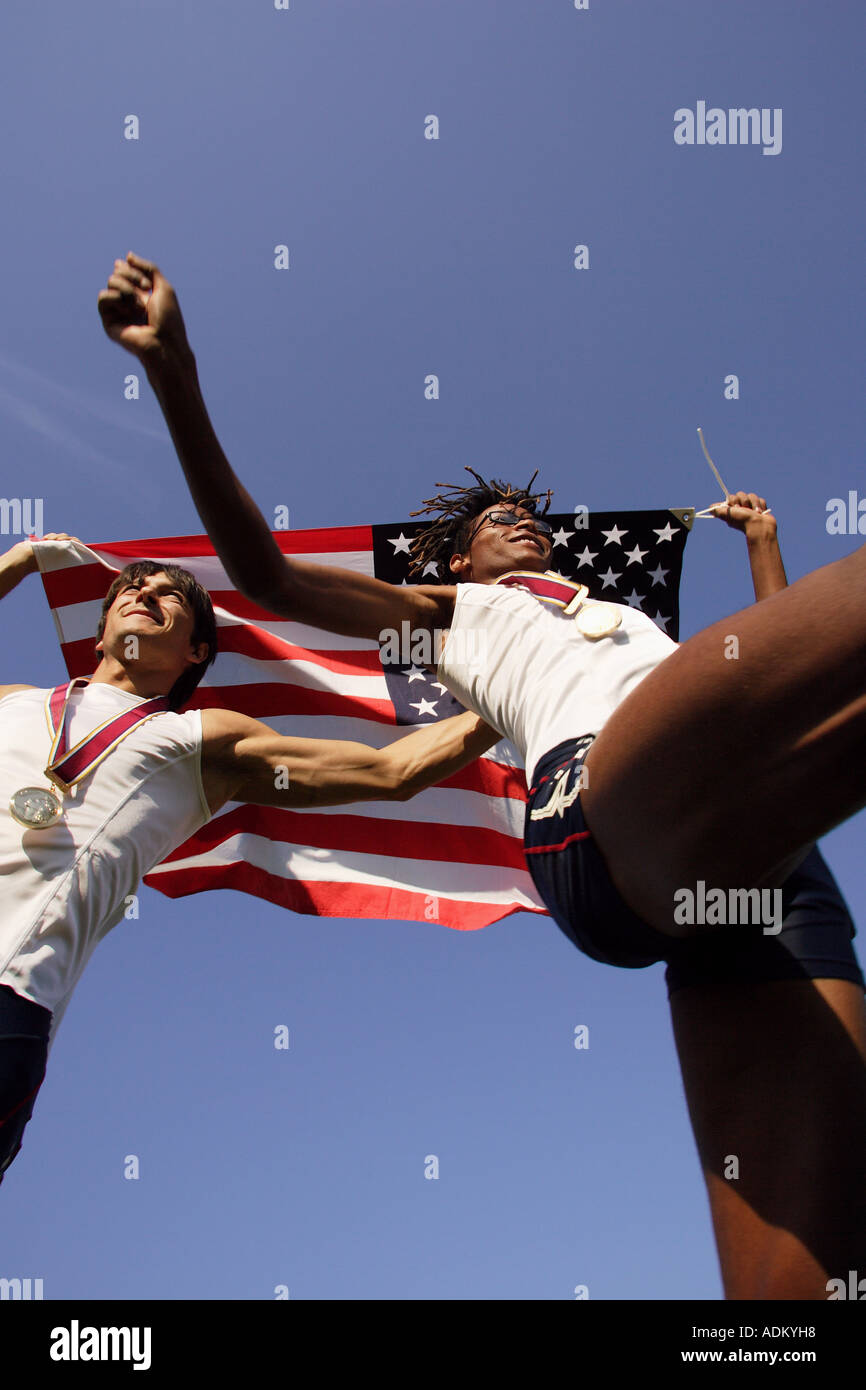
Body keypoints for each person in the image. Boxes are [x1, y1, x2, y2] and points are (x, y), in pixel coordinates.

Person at [98, 252, 866, 1299]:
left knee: (811, 1279)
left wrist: (764, 548)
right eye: (494, 521)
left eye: (530, 516)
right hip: (600, 812)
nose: (522, 522)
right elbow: (264, 575)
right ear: (452, 562)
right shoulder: (445, 613)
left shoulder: (623, 620)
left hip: (759, 867)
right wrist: (177, 377)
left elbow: (776, 673)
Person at [0, 536, 498, 1182]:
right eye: (132, 587)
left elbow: (391, 769)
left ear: (197, 651)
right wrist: (19, 558)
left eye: (170, 596)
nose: (144, 592)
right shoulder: (11, 699)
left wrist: (515, 692)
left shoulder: (202, 739)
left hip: (13, 992)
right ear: (99, 634)